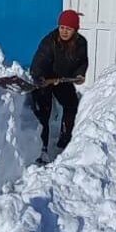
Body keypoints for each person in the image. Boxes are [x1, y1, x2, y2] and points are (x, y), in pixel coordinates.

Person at [30, 9, 88, 162]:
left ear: (75, 30)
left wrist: (80, 74)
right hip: (45, 79)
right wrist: (39, 77)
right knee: (44, 113)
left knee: (72, 105)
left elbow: (82, 62)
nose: (64, 31)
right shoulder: (50, 41)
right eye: (62, 27)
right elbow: (38, 62)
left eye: (68, 29)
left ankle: (66, 137)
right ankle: (41, 148)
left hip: (63, 80)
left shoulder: (81, 43)